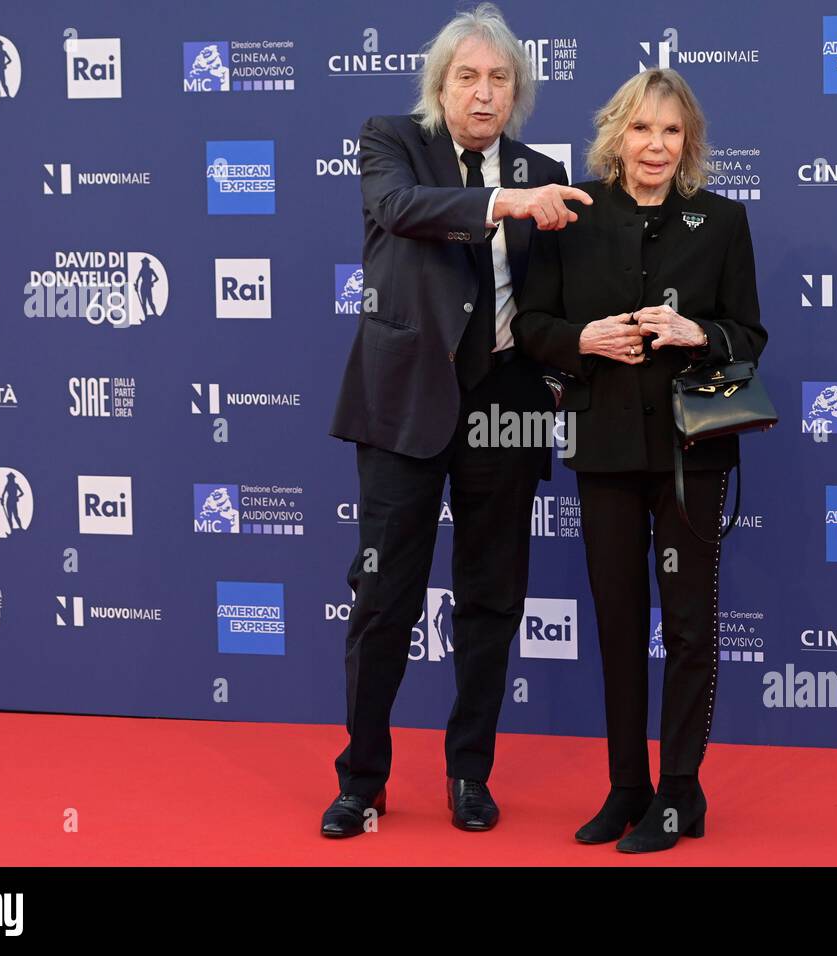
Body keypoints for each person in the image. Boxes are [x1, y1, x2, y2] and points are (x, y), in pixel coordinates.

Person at [324, 3, 591, 838]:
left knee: (490, 599)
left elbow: (550, 302)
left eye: (499, 79)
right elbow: (404, 209)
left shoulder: (545, 171)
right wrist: (507, 202)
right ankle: (361, 779)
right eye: (467, 77)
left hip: (504, 404)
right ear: (439, 87)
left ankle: (469, 773)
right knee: (383, 599)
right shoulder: (390, 142)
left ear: (519, 92)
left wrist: (553, 379)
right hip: (405, 401)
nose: (483, 93)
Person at [513, 68, 767, 853]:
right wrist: (582, 340)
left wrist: (703, 336)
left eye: (671, 131)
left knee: (690, 627)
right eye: (641, 129)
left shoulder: (721, 221)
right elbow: (530, 327)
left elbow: (749, 337)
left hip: (694, 454)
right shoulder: (576, 219)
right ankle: (627, 787)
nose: (655, 145)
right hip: (606, 448)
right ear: (616, 135)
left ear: (687, 142)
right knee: (619, 624)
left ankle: (681, 793)